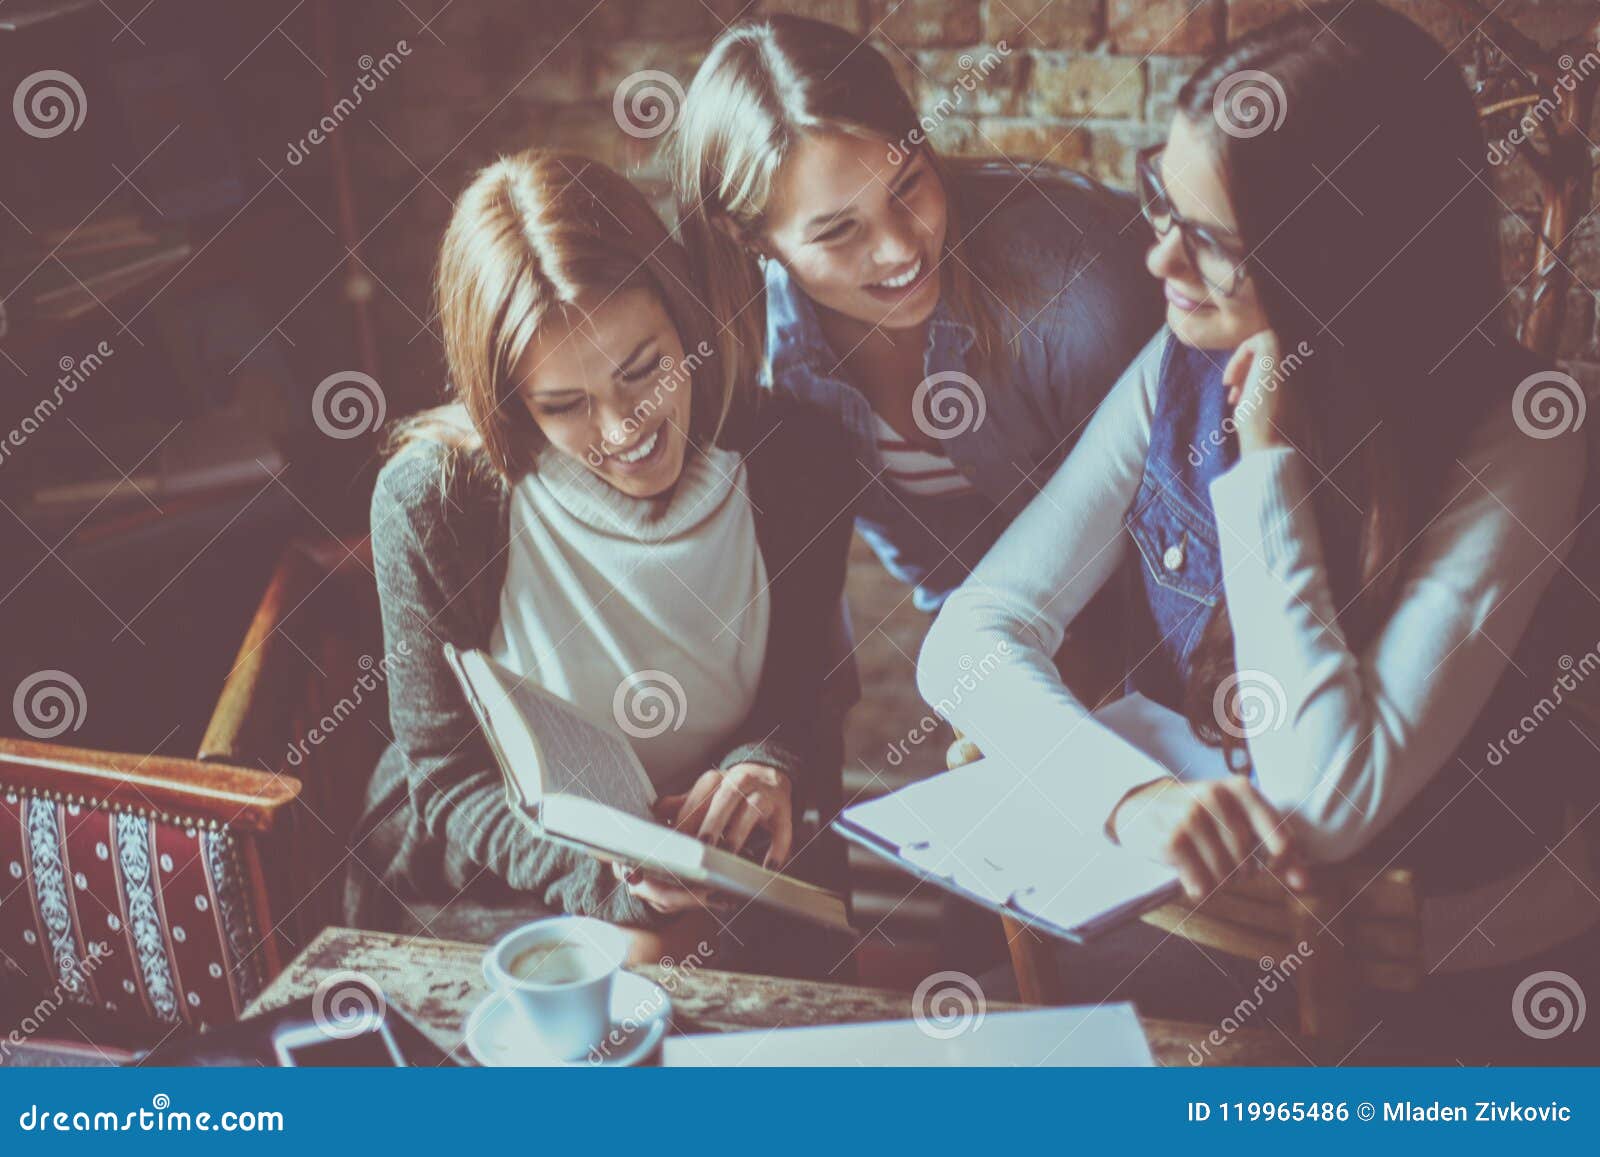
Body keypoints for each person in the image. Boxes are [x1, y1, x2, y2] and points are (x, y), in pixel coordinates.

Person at [915, 1, 1599, 1061]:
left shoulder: (1527, 427)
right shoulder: (1179, 364)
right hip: (1247, 930)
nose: (1157, 264)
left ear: (1332, 253)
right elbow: (969, 638)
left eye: (1209, 240)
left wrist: (1267, 463)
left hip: (1463, 984)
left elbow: (1324, 801)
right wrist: (1129, 795)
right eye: (1160, 201)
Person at [346, 150, 859, 974]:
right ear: (506, 401)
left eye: (645, 369)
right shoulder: (433, 502)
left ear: (683, 321)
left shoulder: (799, 459)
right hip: (502, 874)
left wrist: (770, 764)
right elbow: (445, 780)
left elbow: (804, 696)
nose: (625, 429)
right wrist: (612, 882)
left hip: (727, 869)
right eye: (565, 405)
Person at [669, 14, 1164, 614]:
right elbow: (946, 575)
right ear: (749, 238)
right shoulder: (767, 361)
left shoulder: (1076, 294)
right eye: (838, 230)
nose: (901, 248)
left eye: (906, 186)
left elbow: (1175, 544)